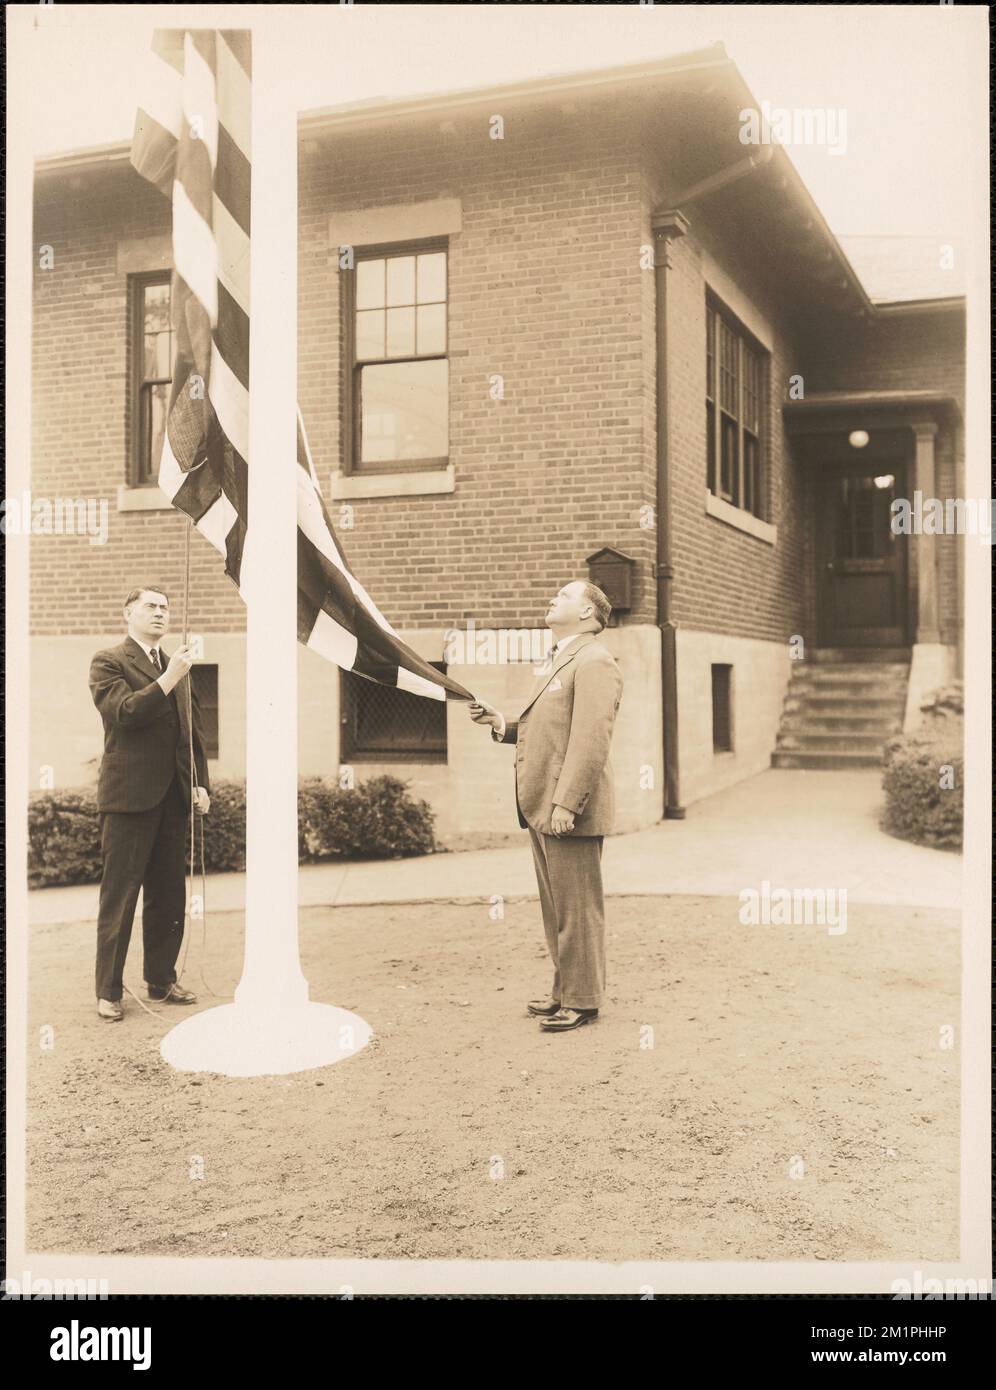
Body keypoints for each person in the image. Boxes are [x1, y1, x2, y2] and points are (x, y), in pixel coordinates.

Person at [469, 580, 623, 1032]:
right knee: (557, 907)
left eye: (565, 595)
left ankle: (583, 1000)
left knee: (577, 908)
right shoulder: (562, 657)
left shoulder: (595, 661)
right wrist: (500, 722)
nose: (554, 598)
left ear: (587, 614)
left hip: (566, 808)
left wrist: (568, 804)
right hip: (544, 804)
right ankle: (564, 992)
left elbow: (590, 739)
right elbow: (550, 727)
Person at [88, 585, 211, 1020]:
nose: (160, 613)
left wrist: (200, 784)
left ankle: (161, 979)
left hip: (173, 798)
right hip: (128, 801)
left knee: (168, 894)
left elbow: (193, 733)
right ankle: (108, 991)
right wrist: (169, 678)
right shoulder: (110, 661)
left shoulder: (177, 665)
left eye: (164, 608)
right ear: (128, 613)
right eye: (150, 607)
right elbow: (124, 714)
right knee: (120, 897)